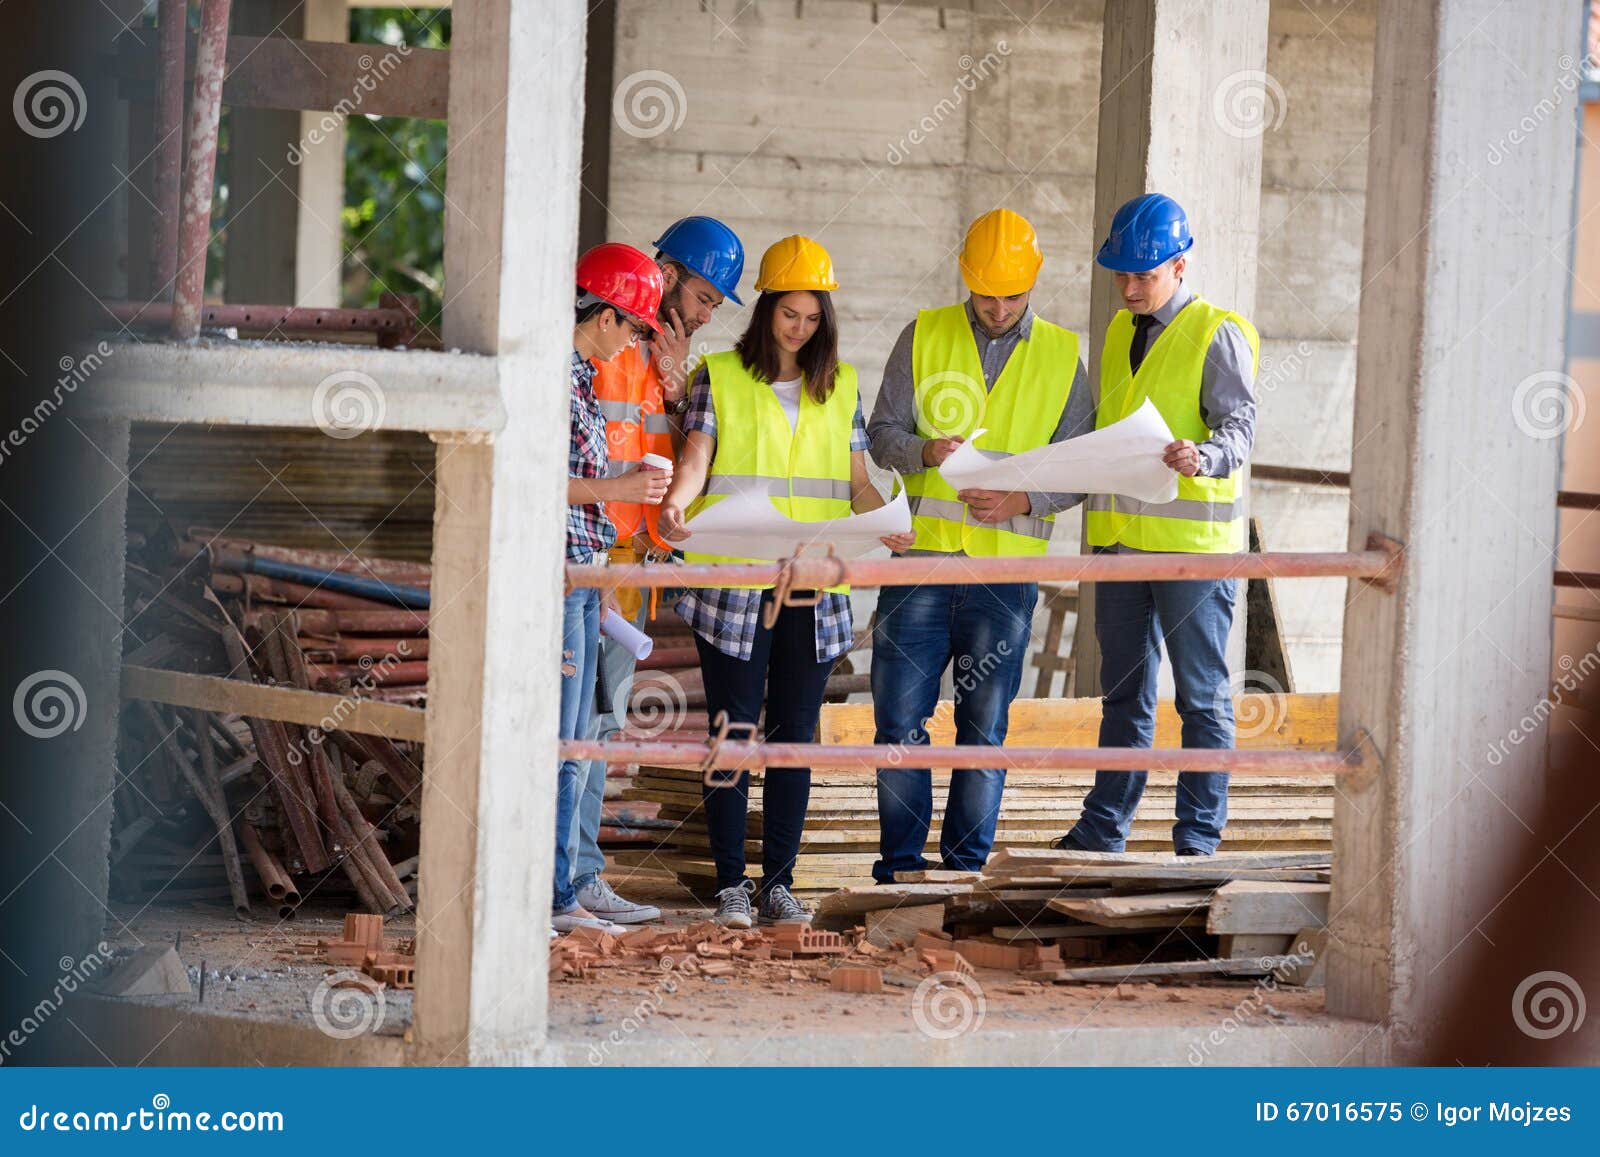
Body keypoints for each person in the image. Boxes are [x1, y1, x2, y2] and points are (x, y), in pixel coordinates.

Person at [658, 235, 914, 927]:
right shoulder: (721, 374)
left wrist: (886, 517)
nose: (799, 327)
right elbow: (698, 453)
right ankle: (731, 887)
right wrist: (678, 502)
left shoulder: (842, 387)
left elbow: (858, 483)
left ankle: (778, 883)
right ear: (766, 309)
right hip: (736, 584)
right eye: (788, 313)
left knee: (796, 734)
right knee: (733, 732)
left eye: (811, 316)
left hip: (813, 584)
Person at [866, 208, 1093, 883]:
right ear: (966, 280)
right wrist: (924, 450)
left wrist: (1023, 499)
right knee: (898, 724)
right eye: (985, 294)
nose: (997, 309)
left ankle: (964, 875)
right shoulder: (924, 334)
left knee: (983, 731)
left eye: (1010, 296)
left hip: (1006, 570)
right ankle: (901, 873)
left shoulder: (1060, 355)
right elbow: (880, 434)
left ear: (1032, 285)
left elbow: (1081, 464)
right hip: (921, 563)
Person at [1056, 192, 1259, 857]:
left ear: (1179, 265)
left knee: (1201, 701)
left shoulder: (1215, 332)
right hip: (1120, 547)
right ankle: (1102, 829)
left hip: (1190, 554)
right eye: (1122, 274)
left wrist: (1203, 456)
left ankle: (1197, 842)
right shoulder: (1118, 330)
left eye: (1144, 274)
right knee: (1124, 696)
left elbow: (1240, 428)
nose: (1131, 287)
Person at [570, 216, 746, 926]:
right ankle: (565, 877)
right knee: (573, 726)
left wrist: (676, 393)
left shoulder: (670, 362)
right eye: (703, 296)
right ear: (666, 274)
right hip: (583, 563)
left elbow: (682, 467)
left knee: (599, 728)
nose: (706, 315)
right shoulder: (601, 339)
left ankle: (578, 875)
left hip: (628, 571)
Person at [555, 242, 666, 935]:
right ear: (605, 316)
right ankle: (555, 896)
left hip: (580, 581)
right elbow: (536, 479)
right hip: (559, 582)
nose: (630, 342)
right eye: (630, 328)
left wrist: (597, 581)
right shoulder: (555, 380)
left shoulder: (579, 378)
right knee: (563, 744)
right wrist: (619, 490)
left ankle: (560, 891)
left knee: (577, 740)